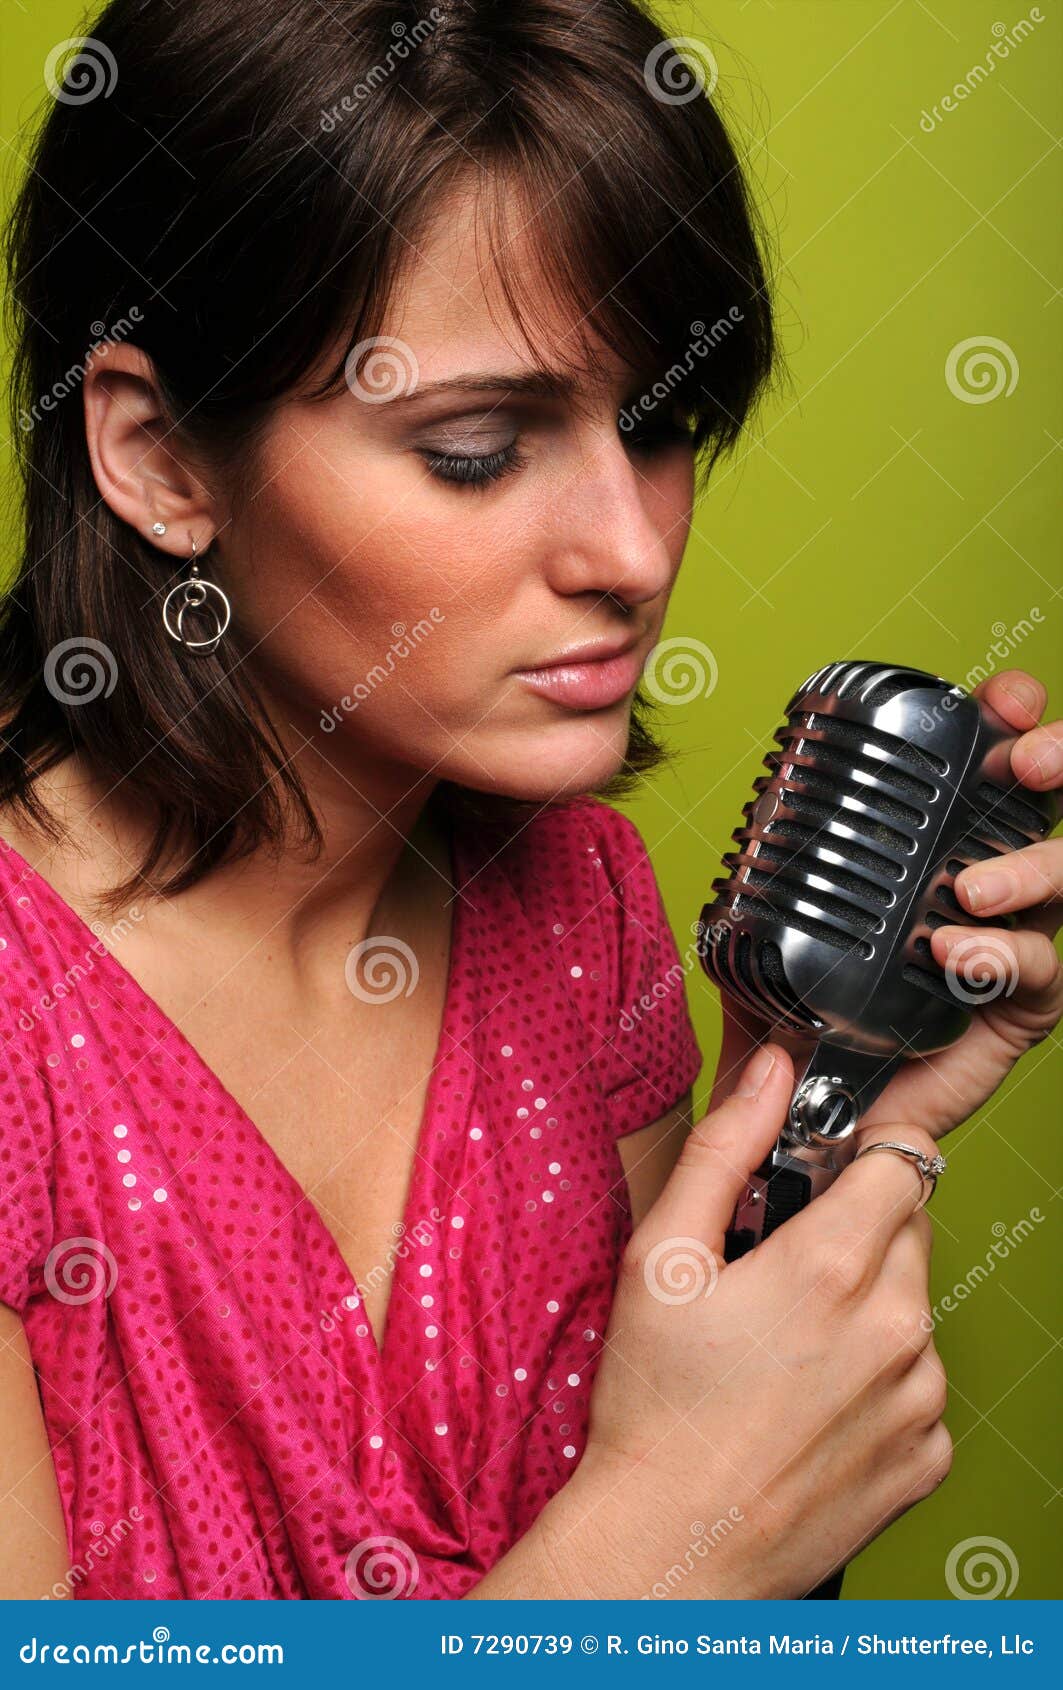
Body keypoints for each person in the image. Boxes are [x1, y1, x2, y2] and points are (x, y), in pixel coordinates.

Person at [1, 0, 1059, 1602]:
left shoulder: (587, 907)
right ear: (159, 457)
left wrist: (833, 1127)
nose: (631, 554)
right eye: (482, 450)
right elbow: (662, 1559)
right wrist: (664, 1544)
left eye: (662, 425)